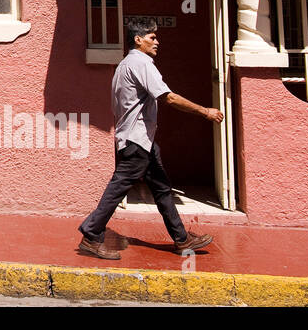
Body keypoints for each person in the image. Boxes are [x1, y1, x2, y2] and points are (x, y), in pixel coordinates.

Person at [78, 17, 224, 260]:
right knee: (118, 188)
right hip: (136, 140)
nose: (157, 42)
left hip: (140, 139)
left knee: (162, 189)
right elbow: (168, 97)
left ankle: (181, 239)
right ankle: (92, 235)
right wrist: (204, 111)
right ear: (138, 40)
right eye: (152, 37)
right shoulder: (141, 63)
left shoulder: (123, 66)